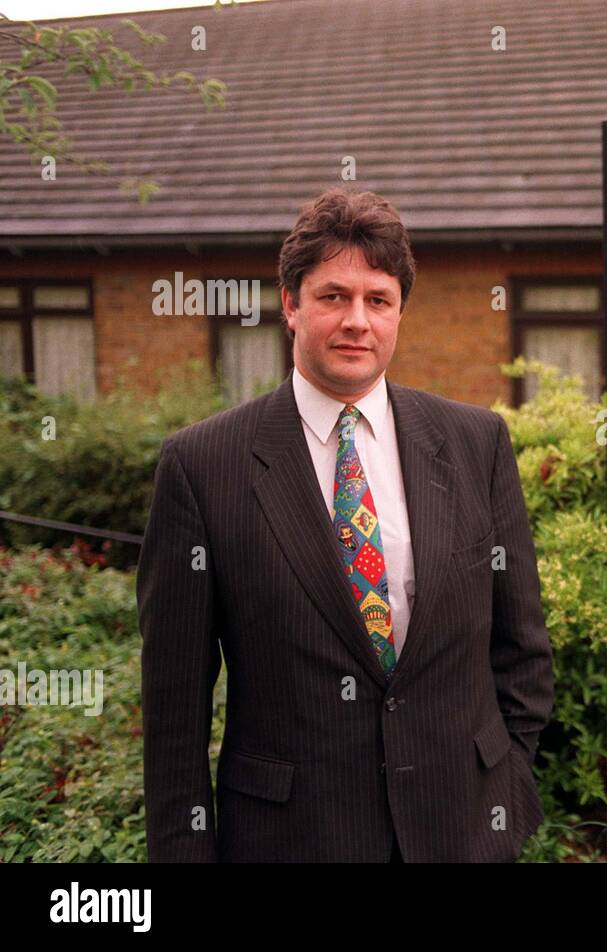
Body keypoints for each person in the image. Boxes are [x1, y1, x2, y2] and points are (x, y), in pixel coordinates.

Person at [137, 188, 553, 862]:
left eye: (378, 300)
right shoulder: (201, 466)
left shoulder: (477, 443)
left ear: (398, 314)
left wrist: (509, 793)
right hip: (291, 840)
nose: (357, 320)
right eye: (333, 296)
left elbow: (522, 651)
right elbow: (174, 709)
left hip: (462, 833)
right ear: (290, 305)